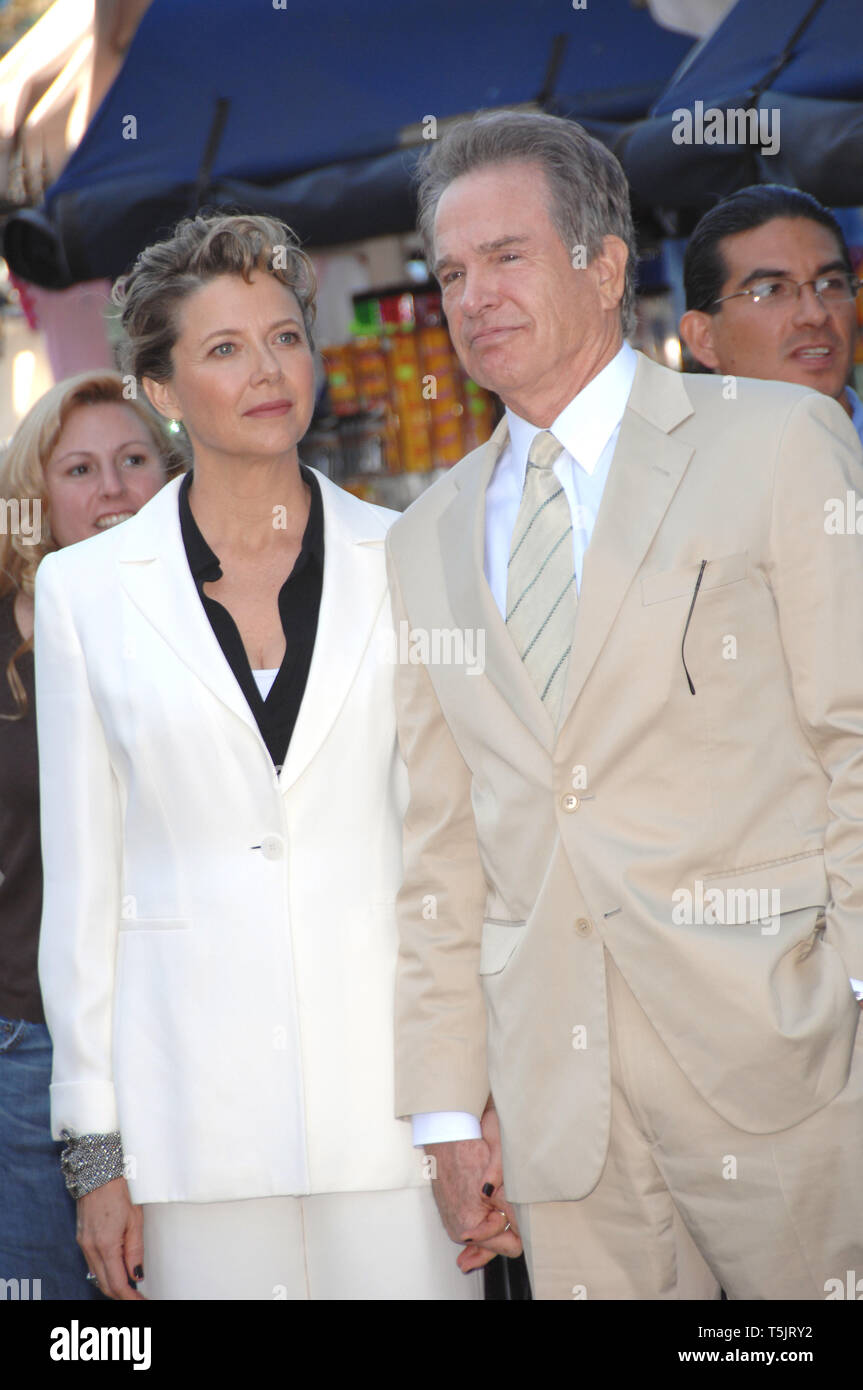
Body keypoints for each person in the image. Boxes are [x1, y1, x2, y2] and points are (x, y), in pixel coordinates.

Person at [385, 111, 863, 1300]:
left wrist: (838, 989)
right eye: (450, 270)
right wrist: (447, 1106)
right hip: (561, 1115)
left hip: (780, 1071)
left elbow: (851, 728)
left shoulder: (775, 443)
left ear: (604, 266)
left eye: (506, 255)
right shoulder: (427, 535)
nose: (472, 293)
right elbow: (444, 839)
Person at [34, 212, 481, 1301]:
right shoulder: (85, 595)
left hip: (394, 1121)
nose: (268, 368)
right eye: (224, 347)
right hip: (190, 1129)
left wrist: (465, 1107)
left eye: (284, 335)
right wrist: (96, 1152)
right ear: (162, 390)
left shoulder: (411, 553)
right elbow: (84, 897)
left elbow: (452, 855)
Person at [0, 369, 174, 1299]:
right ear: (33, 498)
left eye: (133, 459)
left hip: (179, 1032)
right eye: (79, 469)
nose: (111, 489)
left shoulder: (210, 628)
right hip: (30, 1049)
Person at [678, 184, 863, 445]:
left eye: (830, 284)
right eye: (772, 290)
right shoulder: (675, 479)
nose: (816, 314)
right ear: (703, 337)